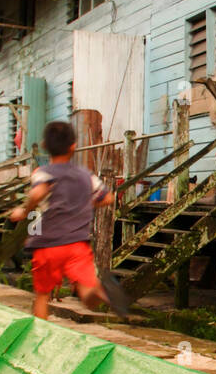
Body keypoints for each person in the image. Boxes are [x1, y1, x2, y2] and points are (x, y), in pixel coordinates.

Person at [8, 120, 129, 319]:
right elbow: (107, 198)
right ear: (73, 146)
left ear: (45, 146)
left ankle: (39, 337)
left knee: (42, 295)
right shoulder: (85, 175)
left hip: (49, 245)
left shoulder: (43, 173)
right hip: (77, 244)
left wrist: (23, 210)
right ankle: (100, 291)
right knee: (86, 292)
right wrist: (82, 203)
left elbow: (37, 193)